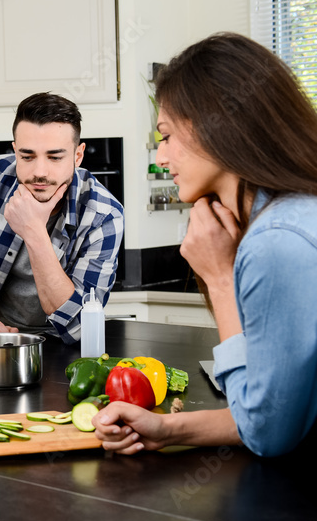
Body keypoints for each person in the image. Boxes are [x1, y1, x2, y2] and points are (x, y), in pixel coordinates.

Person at [95, 32, 317, 457]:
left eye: (166, 136)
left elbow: (266, 432)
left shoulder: (276, 242)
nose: (161, 157)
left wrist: (219, 277)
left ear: (215, 126)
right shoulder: (290, 215)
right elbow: (278, 408)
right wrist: (167, 429)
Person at [0, 93, 124, 342]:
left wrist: (33, 230)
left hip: (62, 345)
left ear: (78, 156)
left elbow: (79, 324)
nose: (39, 172)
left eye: (55, 157)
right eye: (27, 156)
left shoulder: (104, 215)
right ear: (15, 150)